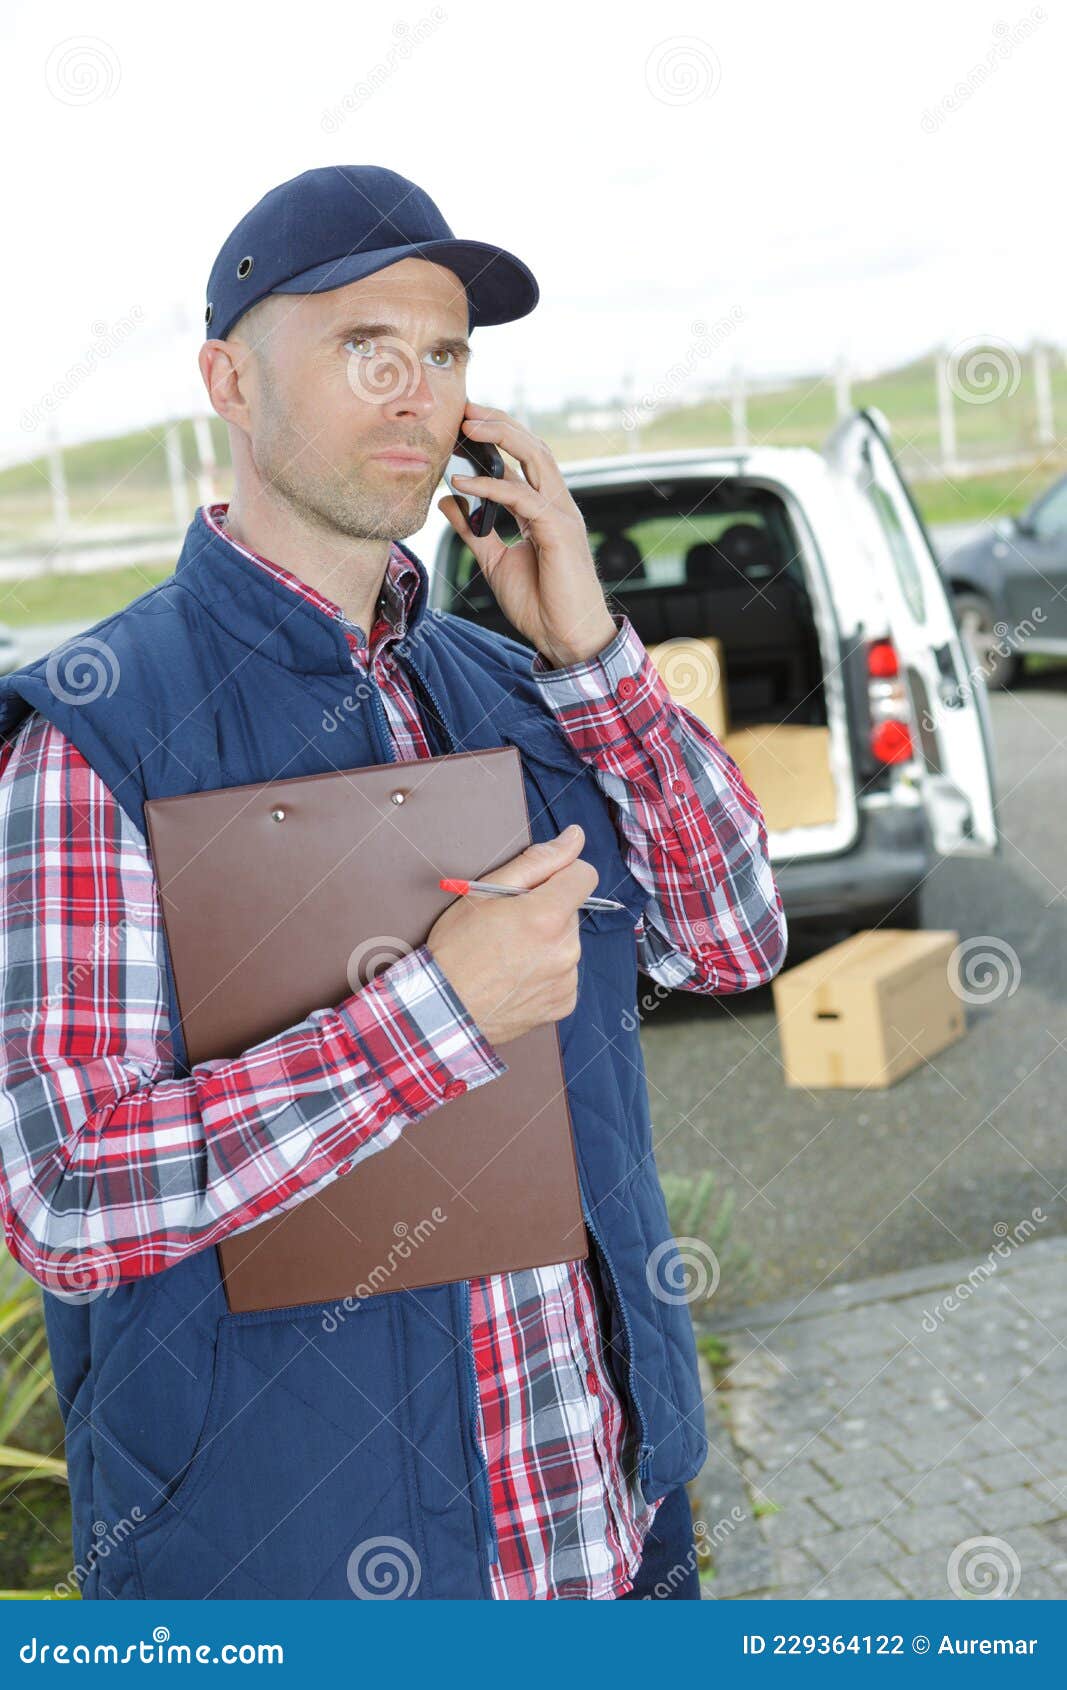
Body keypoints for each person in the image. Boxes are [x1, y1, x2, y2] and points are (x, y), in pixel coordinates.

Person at [0, 165, 787, 1600]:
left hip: (607, 1535)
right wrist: (440, 1010)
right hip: (299, 1565)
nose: (417, 393)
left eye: (445, 355)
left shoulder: (524, 686)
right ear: (229, 379)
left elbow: (733, 941)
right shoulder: (95, 734)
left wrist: (598, 658)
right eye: (368, 348)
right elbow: (63, 1192)